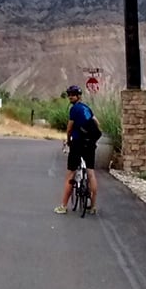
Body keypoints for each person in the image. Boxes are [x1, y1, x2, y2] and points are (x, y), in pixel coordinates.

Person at [54, 85, 100, 215]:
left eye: (72, 95)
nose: (70, 97)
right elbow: (97, 123)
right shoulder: (87, 108)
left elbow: (69, 128)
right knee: (90, 172)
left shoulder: (74, 109)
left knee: (70, 174)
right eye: (69, 95)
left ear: (78, 96)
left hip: (78, 143)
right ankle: (93, 207)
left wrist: (68, 140)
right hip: (90, 143)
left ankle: (63, 206)